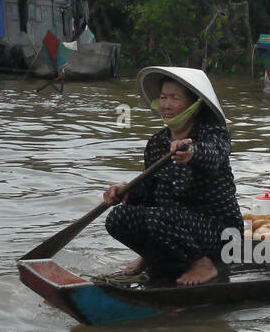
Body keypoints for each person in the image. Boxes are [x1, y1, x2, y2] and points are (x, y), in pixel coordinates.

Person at [103, 67, 242, 286]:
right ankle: (153, 255)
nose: (166, 105)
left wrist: (192, 152)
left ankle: (203, 263)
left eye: (175, 98)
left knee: (159, 218)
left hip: (220, 232)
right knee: (118, 218)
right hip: (173, 226)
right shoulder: (157, 143)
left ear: (194, 105)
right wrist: (125, 191)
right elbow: (148, 194)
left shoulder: (214, 133)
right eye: (163, 97)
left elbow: (214, 153)